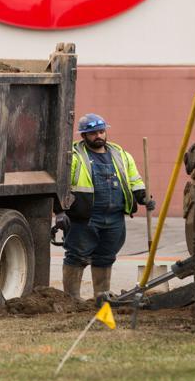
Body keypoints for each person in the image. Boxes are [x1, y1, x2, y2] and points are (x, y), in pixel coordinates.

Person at [61, 113, 152, 300]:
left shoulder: (121, 155)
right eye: (93, 133)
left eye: (101, 131)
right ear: (84, 136)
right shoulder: (75, 156)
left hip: (114, 217)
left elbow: (134, 180)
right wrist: (60, 211)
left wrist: (143, 197)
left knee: (106, 257)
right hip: (85, 217)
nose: (99, 136)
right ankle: (71, 299)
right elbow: (63, 185)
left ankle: (101, 297)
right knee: (76, 257)